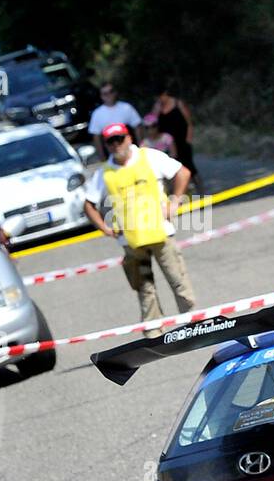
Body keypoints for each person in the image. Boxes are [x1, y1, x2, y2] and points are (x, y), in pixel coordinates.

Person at [81, 123, 195, 331]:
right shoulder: (104, 173)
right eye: (110, 141)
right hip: (131, 241)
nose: (116, 145)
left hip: (161, 233)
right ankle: (154, 331)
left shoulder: (150, 157)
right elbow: (88, 205)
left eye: (119, 139)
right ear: (106, 145)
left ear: (129, 138)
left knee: (178, 280)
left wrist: (174, 202)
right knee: (144, 288)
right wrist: (105, 228)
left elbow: (183, 173)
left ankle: (193, 322)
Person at [150, 85, 204, 192]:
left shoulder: (178, 104)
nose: (160, 99)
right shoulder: (157, 108)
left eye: (161, 96)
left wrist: (188, 140)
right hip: (167, 144)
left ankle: (201, 192)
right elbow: (152, 123)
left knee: (190, 167)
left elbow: (189, 123)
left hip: (182, 141)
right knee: (172, 171)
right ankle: (181, 195)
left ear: (165, 93)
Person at [88, 83, 142, 158]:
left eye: (111, 91)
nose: (109, 95)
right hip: (112, 155)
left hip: (130, 151)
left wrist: (141, 147)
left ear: (115, 92)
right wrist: (102, 156)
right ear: (101, 96)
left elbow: (137, 127)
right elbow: (96, 136)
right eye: (105, 93)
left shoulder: (126, 107)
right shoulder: (97, 114)